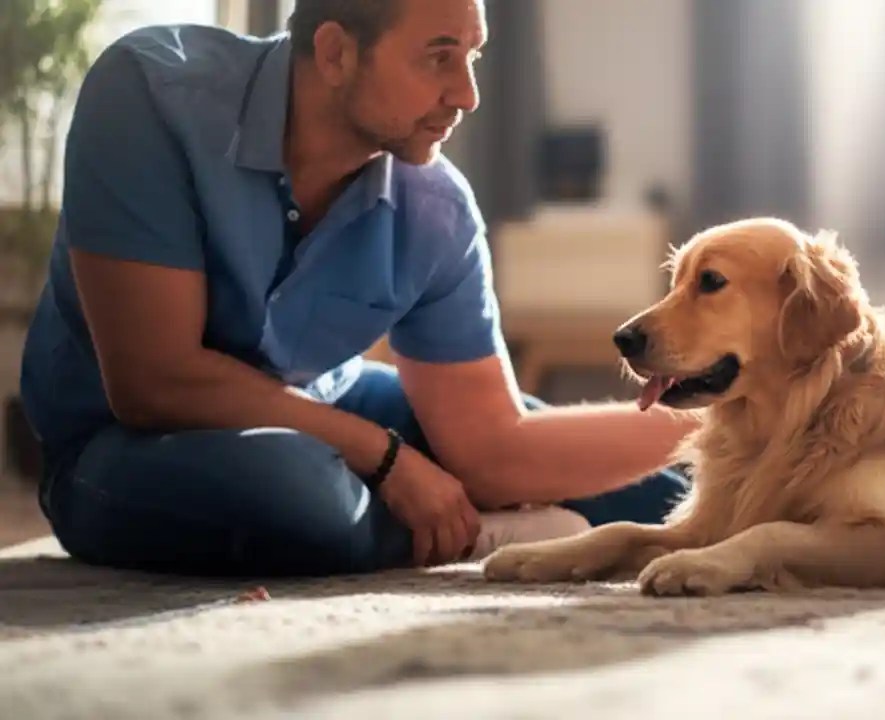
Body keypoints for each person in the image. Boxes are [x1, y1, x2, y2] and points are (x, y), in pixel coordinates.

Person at [18, 0, 698, 577]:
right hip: (123, 441)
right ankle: (485, 538)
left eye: (473, 57)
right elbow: (154, 383)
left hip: (331, 402)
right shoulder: (150, 94)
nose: (467, 94)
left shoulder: (436, 210)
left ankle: (491, 520)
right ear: (337, 53)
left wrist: (721, 422)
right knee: (299, 497)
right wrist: (383, 456)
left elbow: (493, 447)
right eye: (438, 56)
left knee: (662, 493)